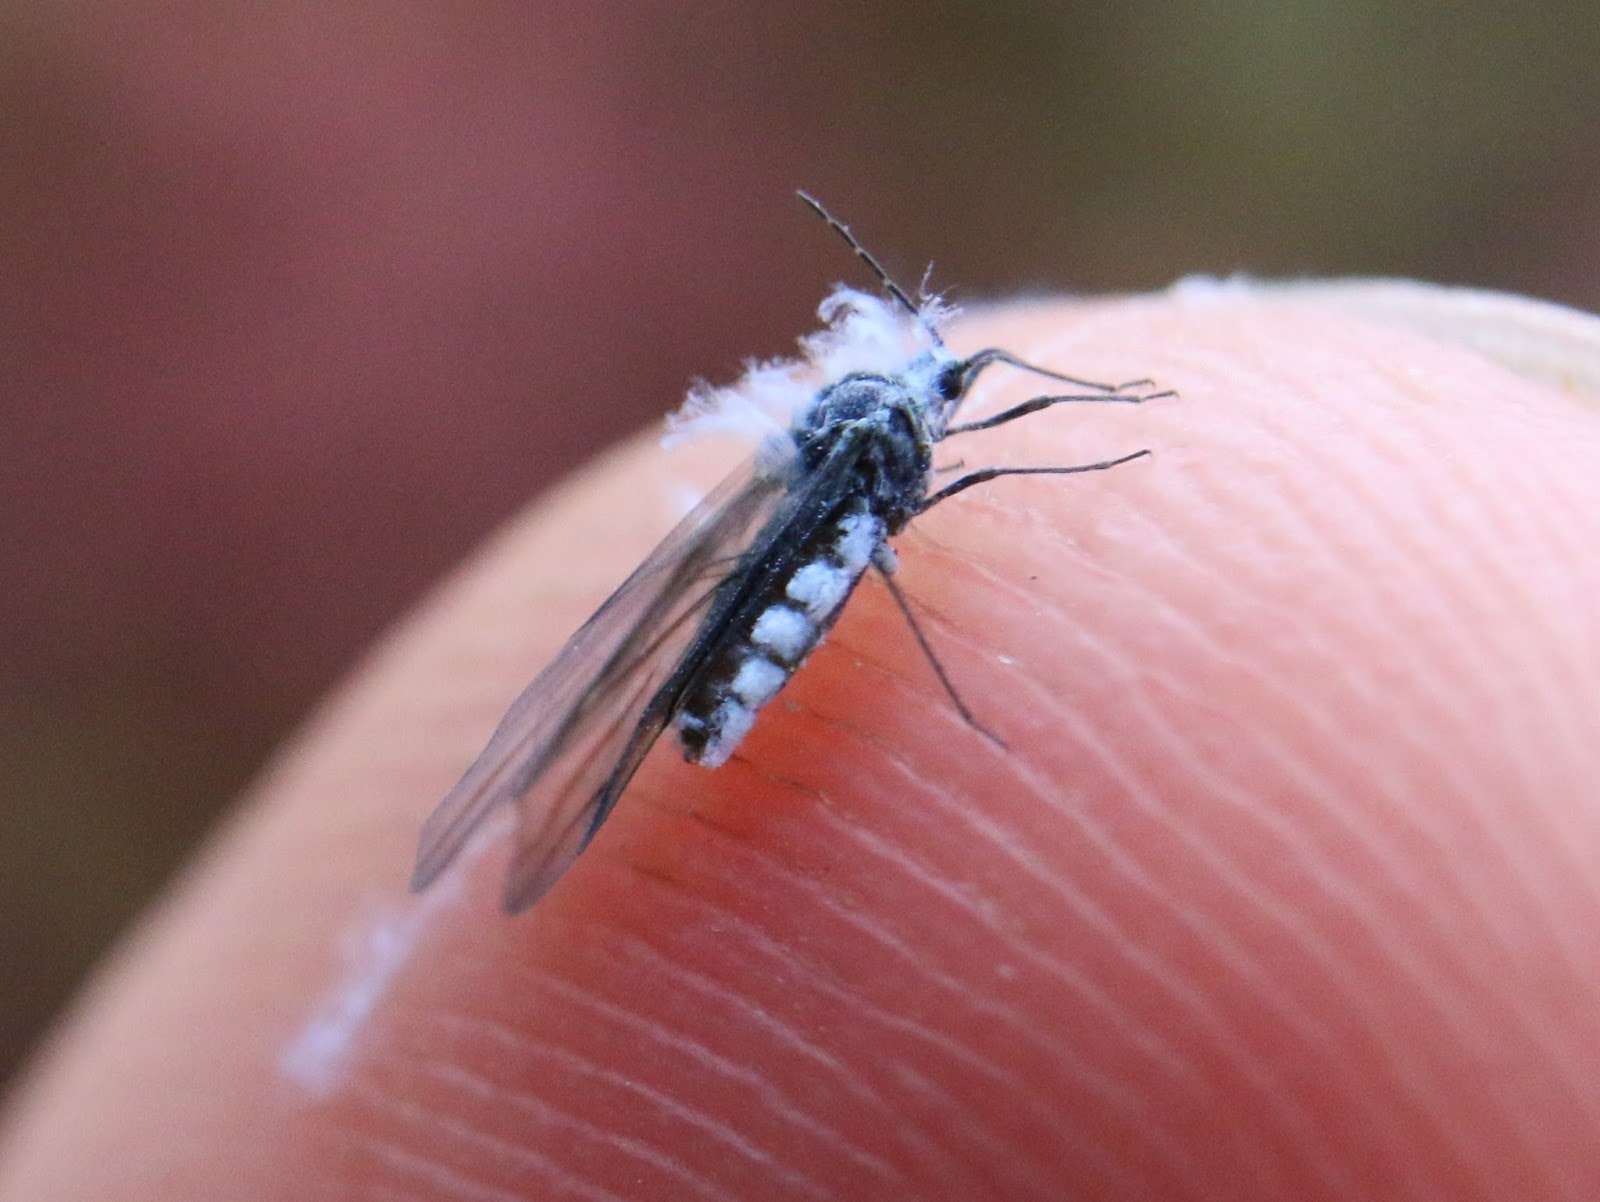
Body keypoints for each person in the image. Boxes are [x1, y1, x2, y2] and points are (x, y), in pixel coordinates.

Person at [3, 286, 1599, 1200]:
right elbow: (793, 561)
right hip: (750, 640)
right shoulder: (883, 446)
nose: (963, 389)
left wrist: (1097, 395)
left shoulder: (906, 425)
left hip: (793, 595)